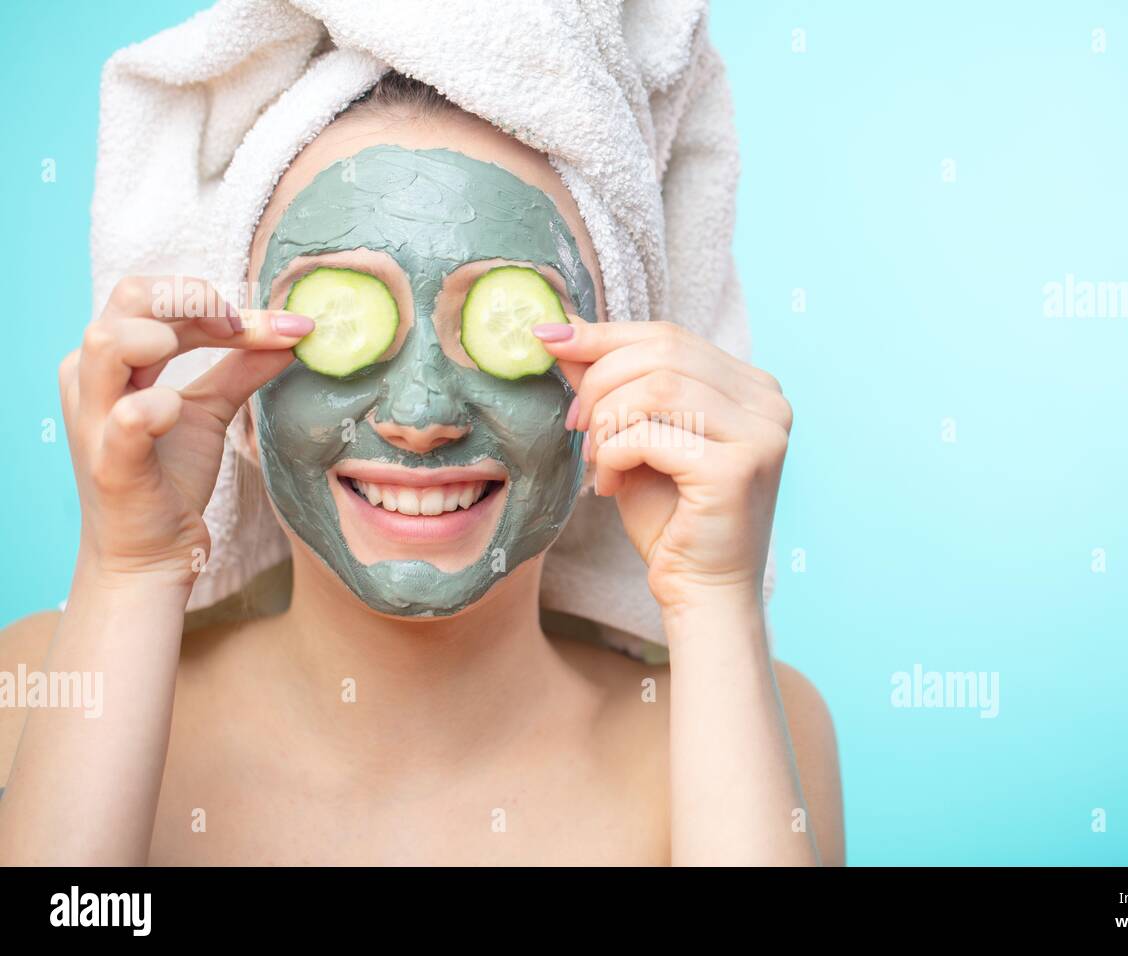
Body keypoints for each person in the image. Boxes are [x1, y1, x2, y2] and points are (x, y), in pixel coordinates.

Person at [0, 70, 842, 866]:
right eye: (338, 318)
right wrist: (133, 570)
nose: (420, 417)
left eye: (509, 318)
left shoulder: (744, 719)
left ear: (616, 386)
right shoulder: (47, 688)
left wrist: (710, 599)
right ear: (240, 399)